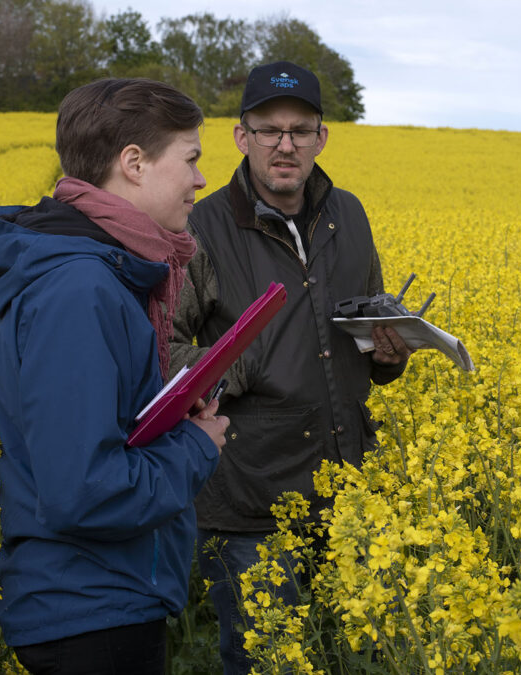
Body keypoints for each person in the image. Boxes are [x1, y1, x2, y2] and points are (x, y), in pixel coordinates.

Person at [0, 78, 229, 674]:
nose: (200, 180)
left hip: (100, 599)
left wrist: (167, 416)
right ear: (133, 164)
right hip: (91, 610)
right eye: (190, 159)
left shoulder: (99, 274)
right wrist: (195, 446)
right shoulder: (80, 289)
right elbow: (84, 490)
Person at [168, 61, 413, 674]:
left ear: (321, 138)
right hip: (250, 498)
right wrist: (246, 361)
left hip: (349, 487)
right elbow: (160, 352)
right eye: (269, 130)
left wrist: (389, 355)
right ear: (241, 137)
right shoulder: (200, 228)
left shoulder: (348, 215)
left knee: (360, 657)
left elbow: (364, 327)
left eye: (300, 131)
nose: (285, 145)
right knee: (263, 660)